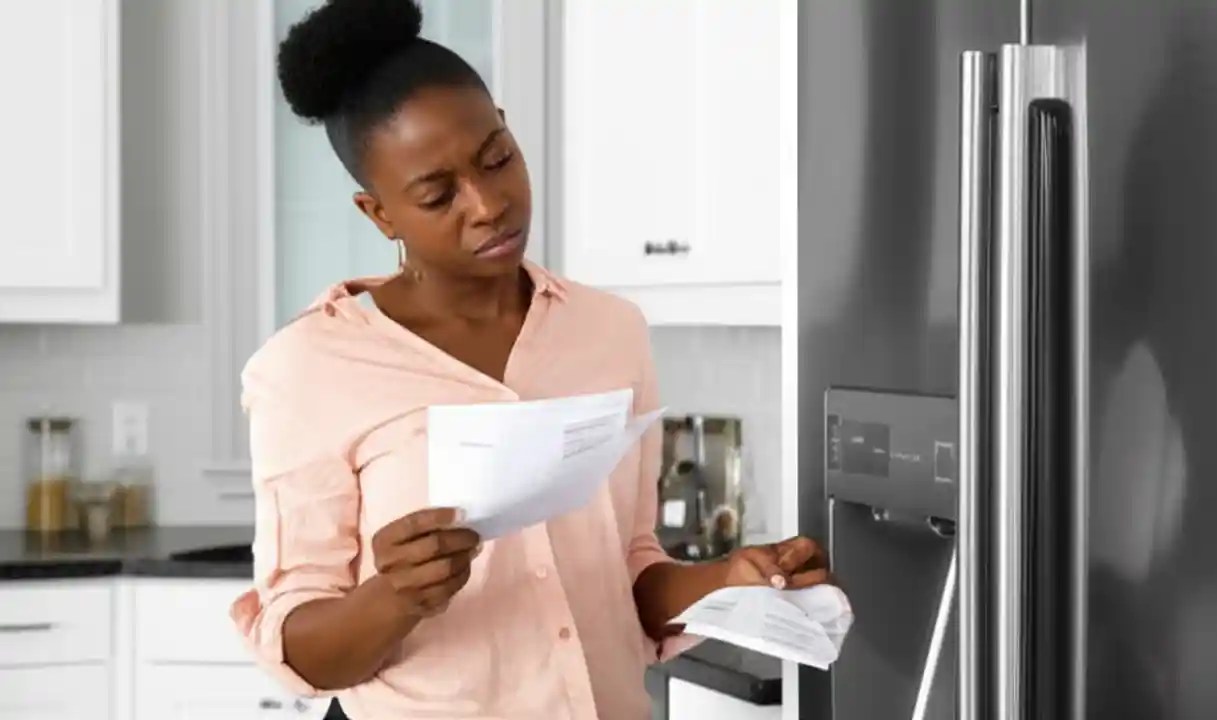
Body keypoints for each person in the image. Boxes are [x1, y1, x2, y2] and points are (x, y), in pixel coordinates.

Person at [230, 0, 830, 717]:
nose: (488, 205)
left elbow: (628, 572)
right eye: (438, 194)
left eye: (497, 158)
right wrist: (393, 596)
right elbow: (300, 647)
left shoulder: (611, 331)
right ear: (379, 214)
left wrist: (726, 579)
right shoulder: (308, 368)